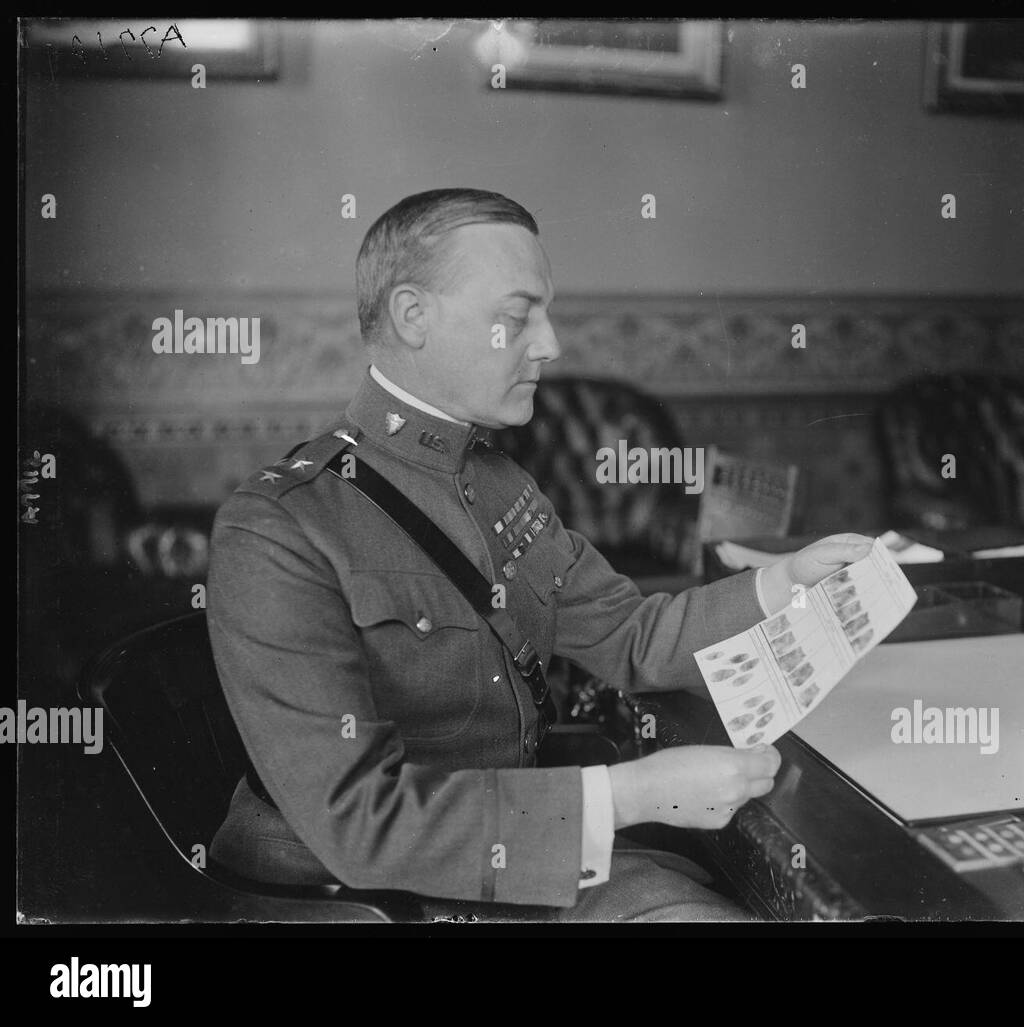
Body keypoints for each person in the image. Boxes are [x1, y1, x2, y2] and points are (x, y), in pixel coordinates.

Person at [207, 188, 872, 921]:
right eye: (517, 317)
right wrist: (632, 795)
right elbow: (361, 821)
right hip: (361, 900)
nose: (550, 343)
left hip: (511, 860)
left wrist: (781, 585)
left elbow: (631, 634)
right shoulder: (279, 527)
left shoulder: (495, 483)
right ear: (412, 316)